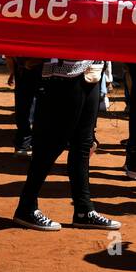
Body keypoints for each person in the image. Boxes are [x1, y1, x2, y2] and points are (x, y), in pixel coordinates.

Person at [13, 59, 122, 232]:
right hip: (64, 72)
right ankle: (26, 206)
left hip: (93, 68)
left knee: (83, 144)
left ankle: (84, 210)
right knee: (52, 143)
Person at [10, 55, 42, 158]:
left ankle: (24, 144)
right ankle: (25, 144)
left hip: (25, 65)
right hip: (43, 66)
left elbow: (9, 55)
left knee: (25, 106)